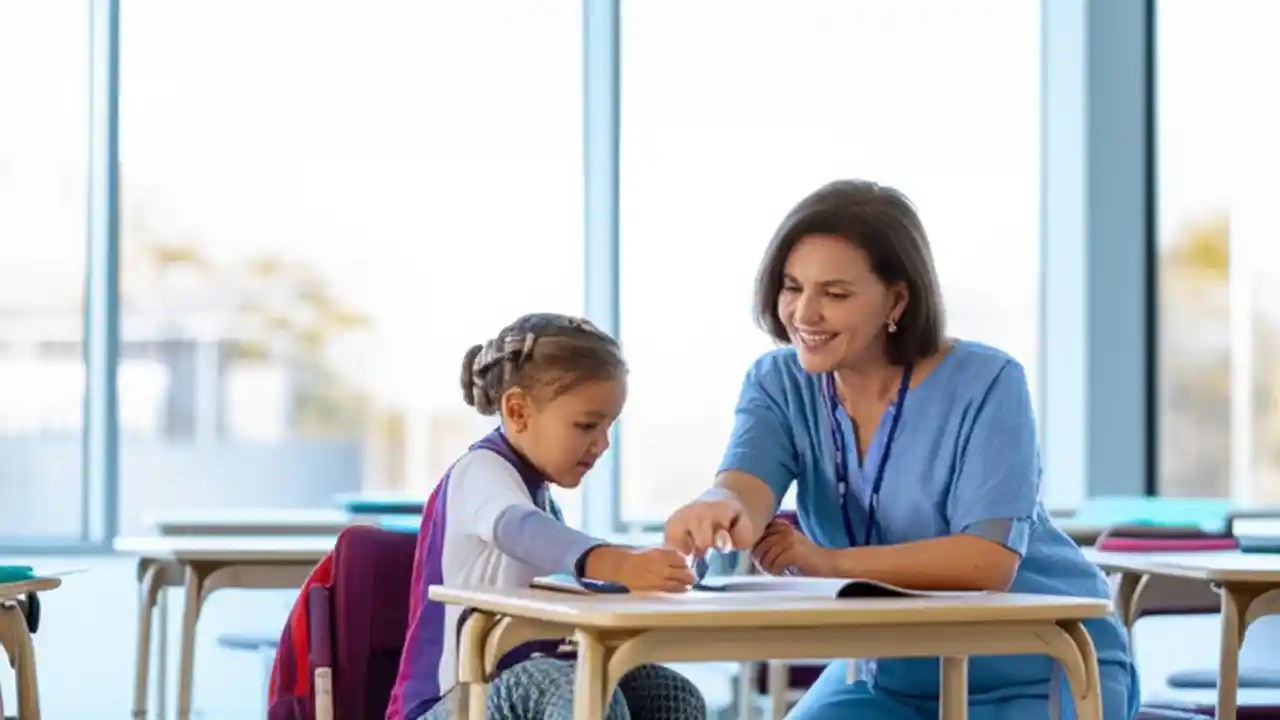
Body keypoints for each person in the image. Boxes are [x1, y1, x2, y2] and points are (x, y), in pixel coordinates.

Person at [664, 180, 1139, 719]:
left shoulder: (989, 382)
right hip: (889, 674)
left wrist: (827, 563)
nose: (804, 314)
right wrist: (717, 508)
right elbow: (744, 489)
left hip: (1035, 664)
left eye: (835, 294)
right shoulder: (778, 382)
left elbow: (986, 562)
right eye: (792, 287)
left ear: (897, 299)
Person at [387, 313, 705, 720]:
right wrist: (614, 562)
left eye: (608, 427)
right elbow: (518, 529)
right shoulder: (480, 473)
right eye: (586, 425)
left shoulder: (538, 495)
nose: (602, 444)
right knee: (577, 691)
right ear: (518, 411)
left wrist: (658, 570)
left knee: (670, 695)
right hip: (450, 705)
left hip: (513, 685)